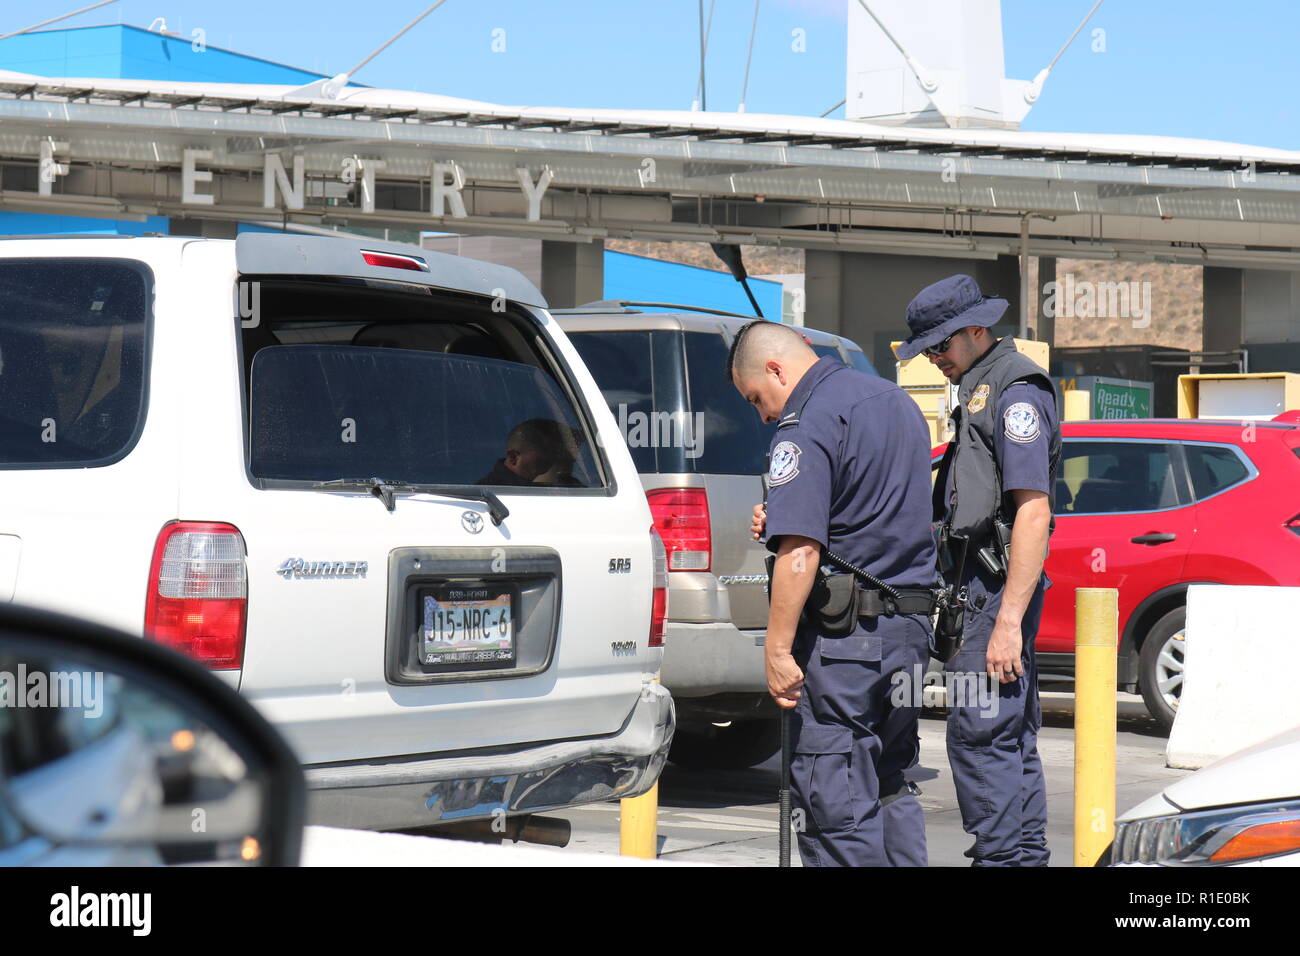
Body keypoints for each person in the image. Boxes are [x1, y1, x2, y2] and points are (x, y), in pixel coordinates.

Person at [732, 320, 938, 867]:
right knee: (890, 782)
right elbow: (871, 510)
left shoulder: (806, 421)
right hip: (909, 633)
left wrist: (776, 652)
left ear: (776, 369)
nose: (764, 414)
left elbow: (800, 552)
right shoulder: (896, 402)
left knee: (834, 802)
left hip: (847, 646)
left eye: (758, 397)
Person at [896, 274, 1061, 867]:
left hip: (993, 589)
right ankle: (1020, 859)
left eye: (941, 346)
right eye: (928, 350)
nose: (935, 359)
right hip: (981, 587)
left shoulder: (1013, 393)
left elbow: (1033, 512)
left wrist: (1008, 621)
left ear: (975, 330)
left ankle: (1003, 862)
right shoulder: (980, 387)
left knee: (982, 735)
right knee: (1008, 738)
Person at [477, 418, 584, 487]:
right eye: (544, 450)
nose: (553, 456)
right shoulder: (495, 491)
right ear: (513, 457)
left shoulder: (536, 485)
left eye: (555, 450)